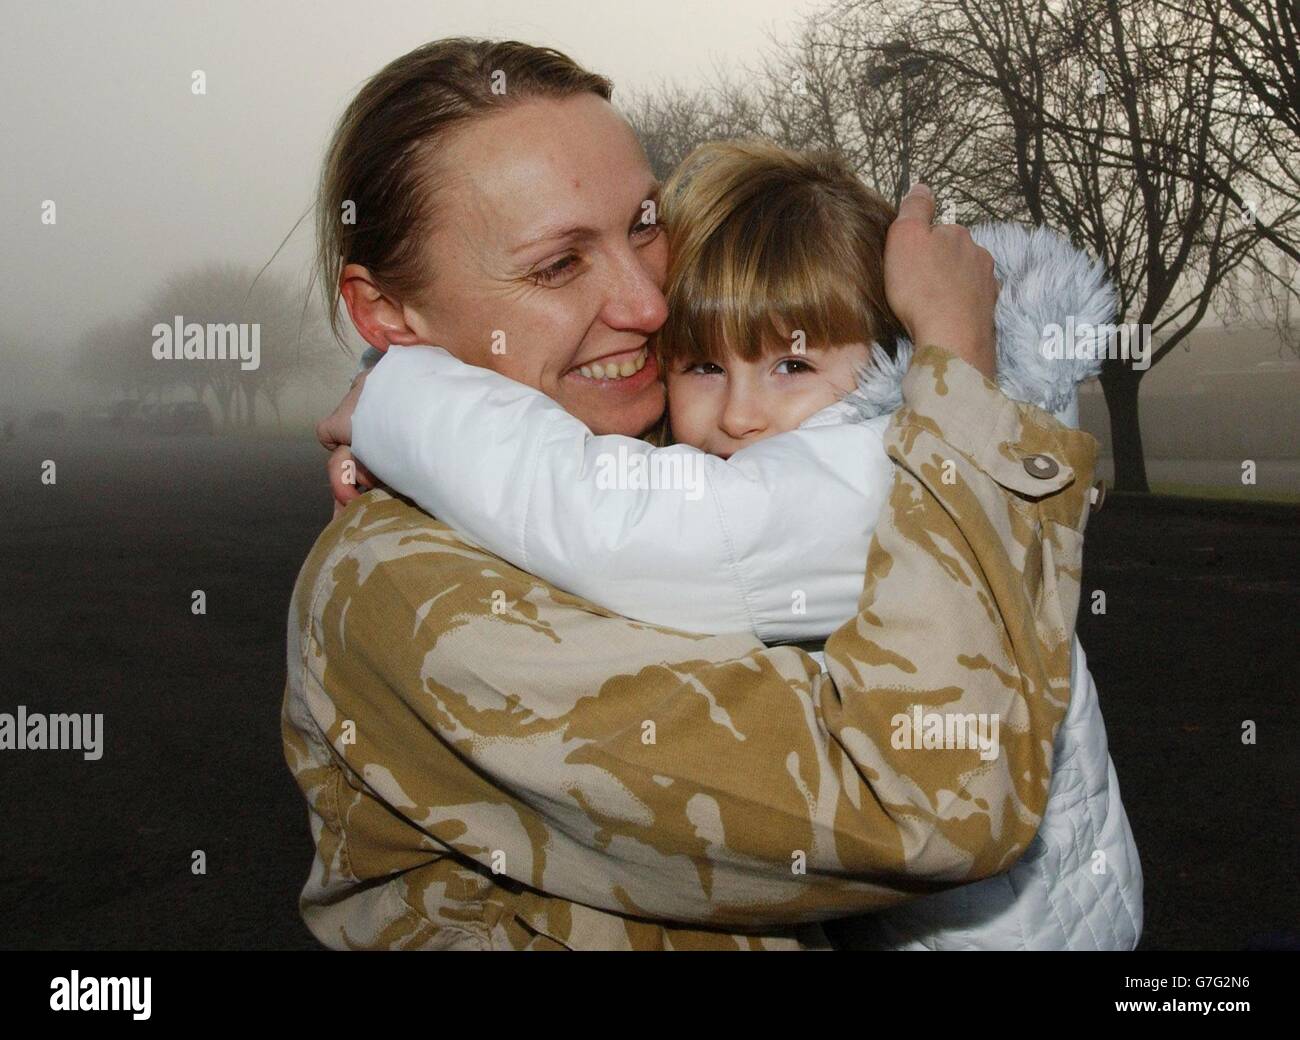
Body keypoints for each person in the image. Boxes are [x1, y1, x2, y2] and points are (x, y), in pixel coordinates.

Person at [284, 37, 1103, 950]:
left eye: (643, 223)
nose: (646, 302)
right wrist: (959, 368)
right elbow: (923, 801)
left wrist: (406, 398)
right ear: (388, 314)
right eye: (559, 266)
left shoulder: (678, 440)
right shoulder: (412, 587)